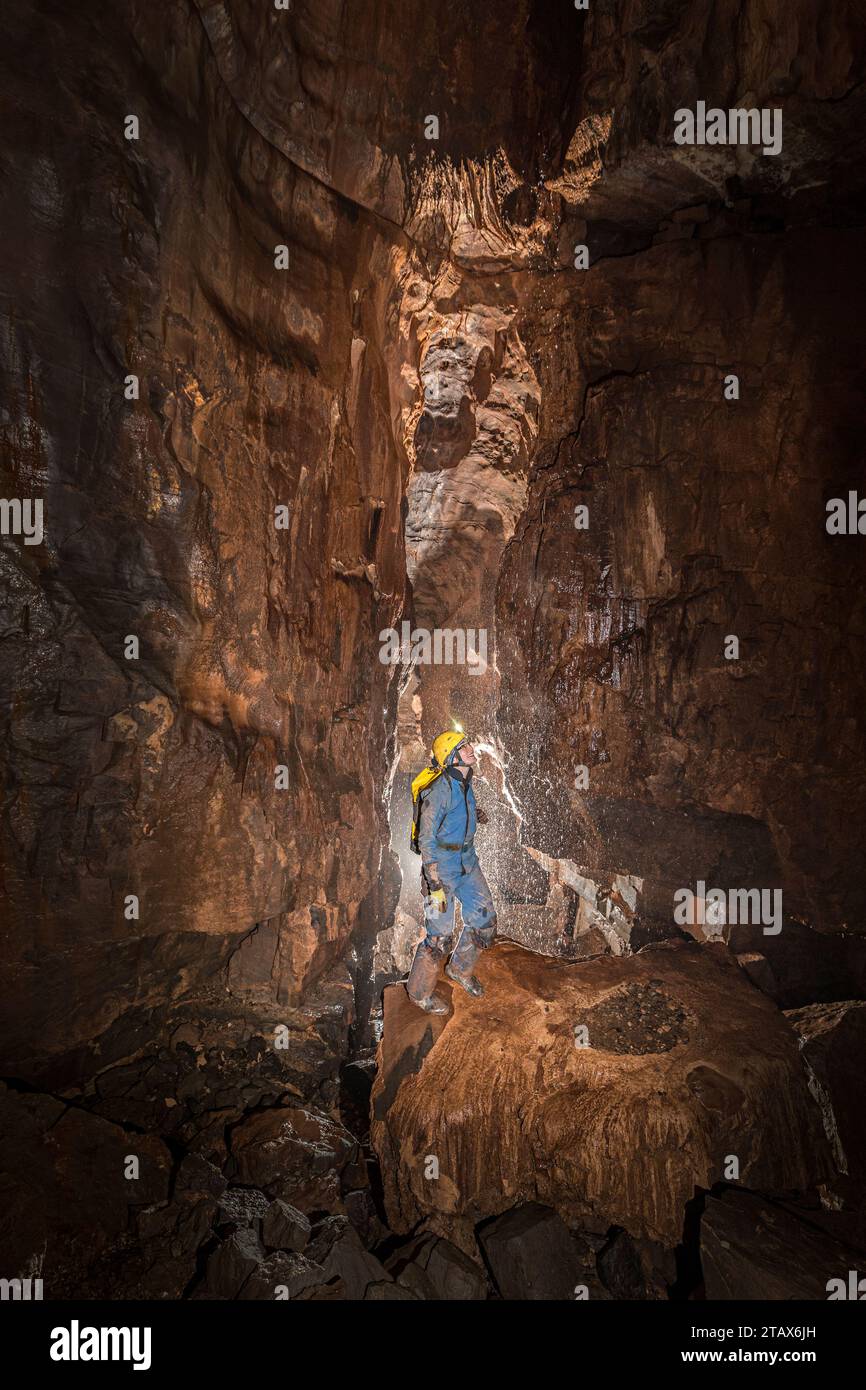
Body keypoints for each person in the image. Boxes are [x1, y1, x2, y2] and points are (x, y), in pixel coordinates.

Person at [405, 730, 497, 1013]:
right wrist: (433, 881)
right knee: (438, 937)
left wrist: (474, 814)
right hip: (441, 872)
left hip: (467, 864)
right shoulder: (439, 789)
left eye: (467, 744)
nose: (471, 749)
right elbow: (427, 838)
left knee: (485, 921)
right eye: (464, 746)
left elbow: (458, 812)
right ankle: (418, 994)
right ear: (451, 756)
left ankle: (460, 969)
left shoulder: (465, 780)